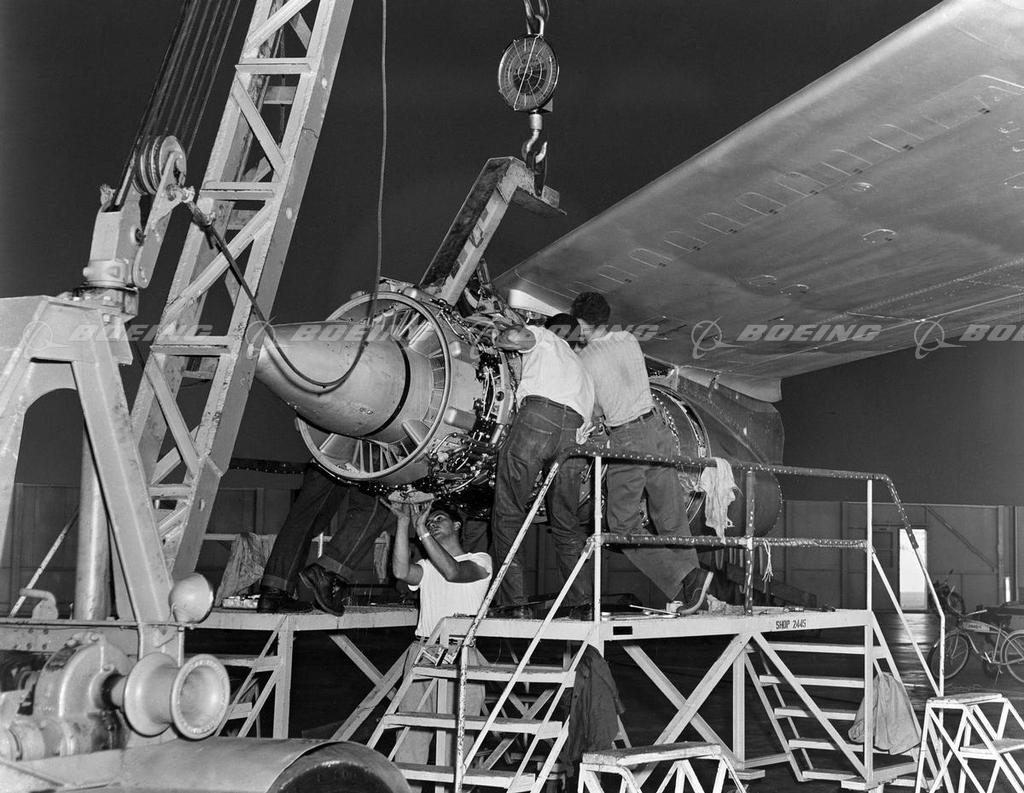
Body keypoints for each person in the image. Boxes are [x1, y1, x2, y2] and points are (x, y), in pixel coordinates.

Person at [571, 292, 712, 611]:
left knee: (621, 528)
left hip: (629, 439)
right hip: (658, 430)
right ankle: (694, 595)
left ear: (581, 323)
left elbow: (592, 410)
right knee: (672, 517)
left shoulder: (586, 359)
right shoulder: (629, 340)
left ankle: (685, 579)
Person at [491, 313, 596, 619]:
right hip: (573, 436)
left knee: (509, 513)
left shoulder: (545, 337)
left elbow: (513, 339)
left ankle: (515, 603)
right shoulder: (583, 371)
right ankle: (582, 602)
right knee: (565, 523)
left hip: (538, 419)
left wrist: (504, 334)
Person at [388, 498, 492, 778]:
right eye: (429, 521)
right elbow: (400, 571)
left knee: (457, 739)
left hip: (460, 655)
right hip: (423, 651)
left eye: (439, 519)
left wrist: (421, 529)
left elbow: (452, 572)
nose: (433, 523)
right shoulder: (425, 565)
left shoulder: (479, 561)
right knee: (410, 735)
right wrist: (403, 523)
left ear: (457, 525)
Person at [257, 462, 394, 615]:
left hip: (327, 449)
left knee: (307, 514)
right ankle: (326, 571)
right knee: (373, 508)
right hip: (365, 451)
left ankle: (273, 592)